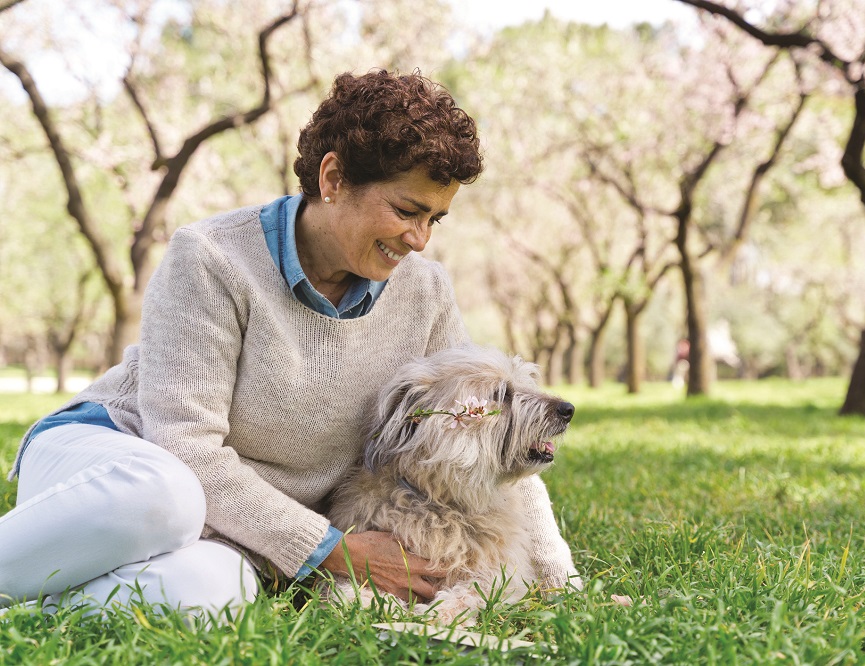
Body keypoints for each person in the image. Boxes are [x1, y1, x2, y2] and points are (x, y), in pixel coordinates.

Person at [0, 70, 578, 616]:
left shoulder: (424, 292)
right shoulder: (212, 258)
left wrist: (561, 581)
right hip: (115, 461)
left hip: (228, 518)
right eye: (407, 210)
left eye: (435, 220)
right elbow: (184, 448)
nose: (420, 239)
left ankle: (35, 598)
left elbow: (484, 423)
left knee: (213, 596)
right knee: (167, 494)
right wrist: (331, 548)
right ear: (332, 179)